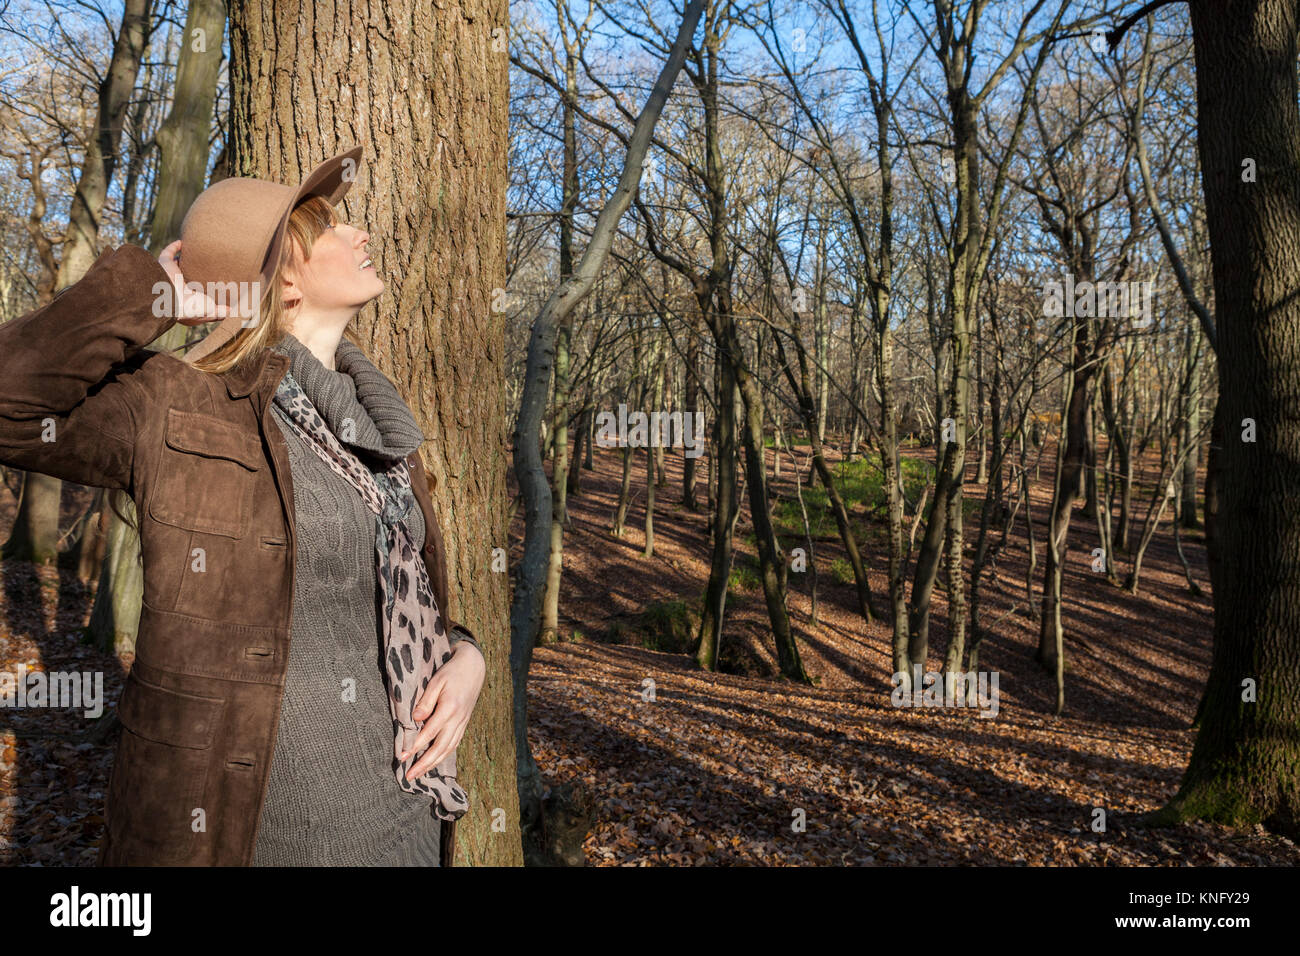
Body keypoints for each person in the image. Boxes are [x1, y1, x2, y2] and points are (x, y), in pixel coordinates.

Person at [0, 143, 485, 865]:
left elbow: (386, 600)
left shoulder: (383, 427)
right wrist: (154, 296)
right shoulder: (178, 405)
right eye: (328, 227)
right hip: (265, 824)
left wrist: (466, 657)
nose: (360, 233)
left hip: (405, 808)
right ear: (282, 276)